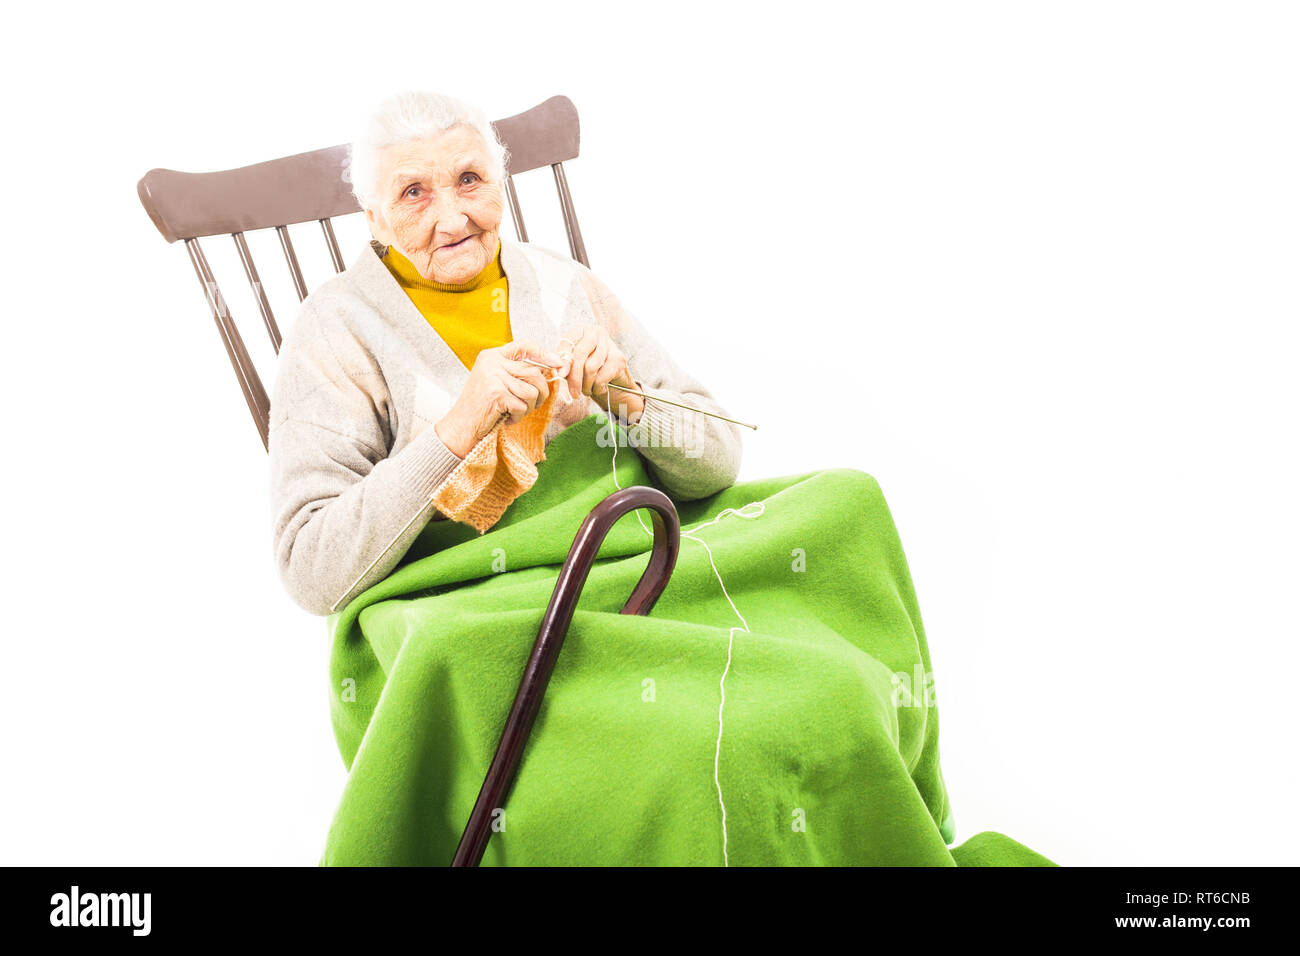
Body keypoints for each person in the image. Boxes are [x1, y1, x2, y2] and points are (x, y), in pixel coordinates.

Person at [268, 91, 743, 616]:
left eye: (469, 180)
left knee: (841, 501)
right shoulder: (334, 331)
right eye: (414, 193)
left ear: (502, 182)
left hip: (637, 558)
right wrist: (457, 431)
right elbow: (312, 572)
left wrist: (628, 399)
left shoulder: (563, 283)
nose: (452, 220)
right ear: (375, 220)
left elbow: (719, 465)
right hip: (485, 606)